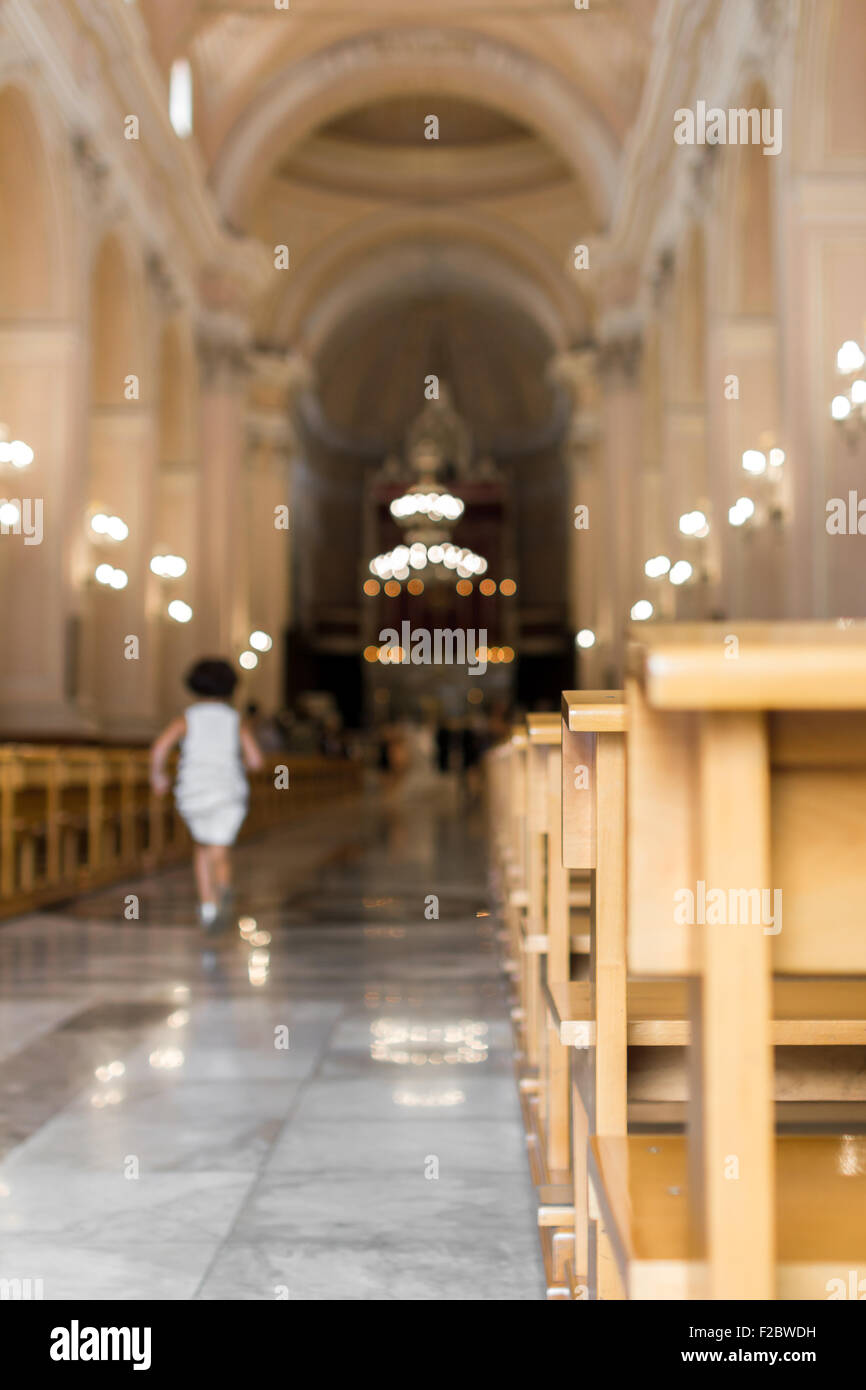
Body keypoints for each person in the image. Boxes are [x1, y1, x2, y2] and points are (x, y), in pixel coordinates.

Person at [150, 658, 263, 928]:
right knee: (219, 846)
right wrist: (243, 764)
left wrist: (158, 775)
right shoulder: (236, 721)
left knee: (202, 845)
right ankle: (223, 886)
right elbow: (257, 761)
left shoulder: (186, 718)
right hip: (227, 790)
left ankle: (208, 906)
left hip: (194, 790)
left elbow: (160, 748)